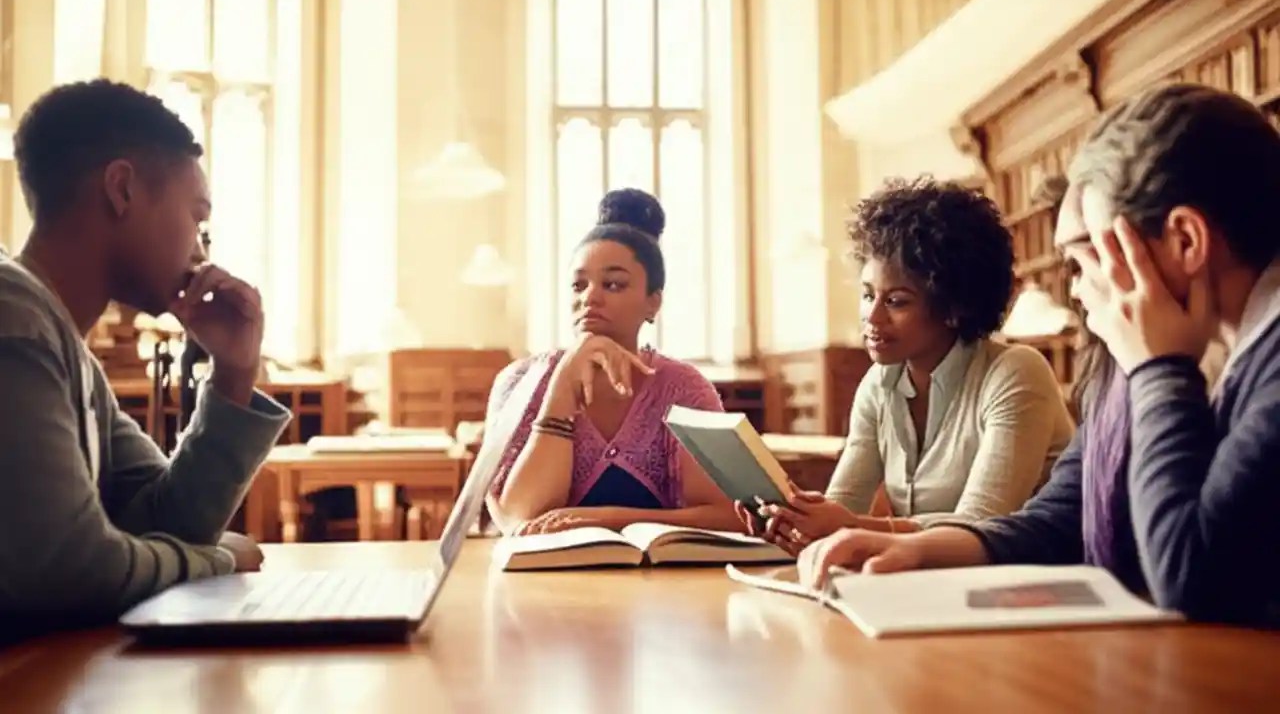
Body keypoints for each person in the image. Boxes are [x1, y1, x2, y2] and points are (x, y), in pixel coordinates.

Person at [796, 83, 1280, 628]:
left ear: (1186, 242)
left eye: (1088, 256)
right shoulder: (1144, 365)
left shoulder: (1198, 362)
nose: (1077, 289)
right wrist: (922, 548)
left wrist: (1159, 369)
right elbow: (1057, 520)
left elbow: (1192, 576)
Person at [0, 80, 289, 633]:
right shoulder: (15, 323)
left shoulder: (61, 341)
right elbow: (70, 572)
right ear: (122, 189)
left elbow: (171, 523)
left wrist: (232, 374)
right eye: (196, 218)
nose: (201, 249)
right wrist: (220, 562)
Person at [737, 177, 1074, 554]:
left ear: (954, 307)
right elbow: (843, 505)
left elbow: (981, 524)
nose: (872, 317)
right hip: (929, 582)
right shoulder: (879, 383)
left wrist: (849, 526)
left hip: (1028, 588)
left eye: (896, 302)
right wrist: (797, 523)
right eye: (868, 295)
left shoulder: (1016, 372)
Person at [483, 188, 738, 535]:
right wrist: (561, 388)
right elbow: (518, 519)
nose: (590, 297)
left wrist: (606, 518)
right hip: (539, 582)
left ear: (653, 303)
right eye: (578, 285)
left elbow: (726, 515)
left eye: (614, 284)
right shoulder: (520, 382)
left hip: (660, 582)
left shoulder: (683, 387)